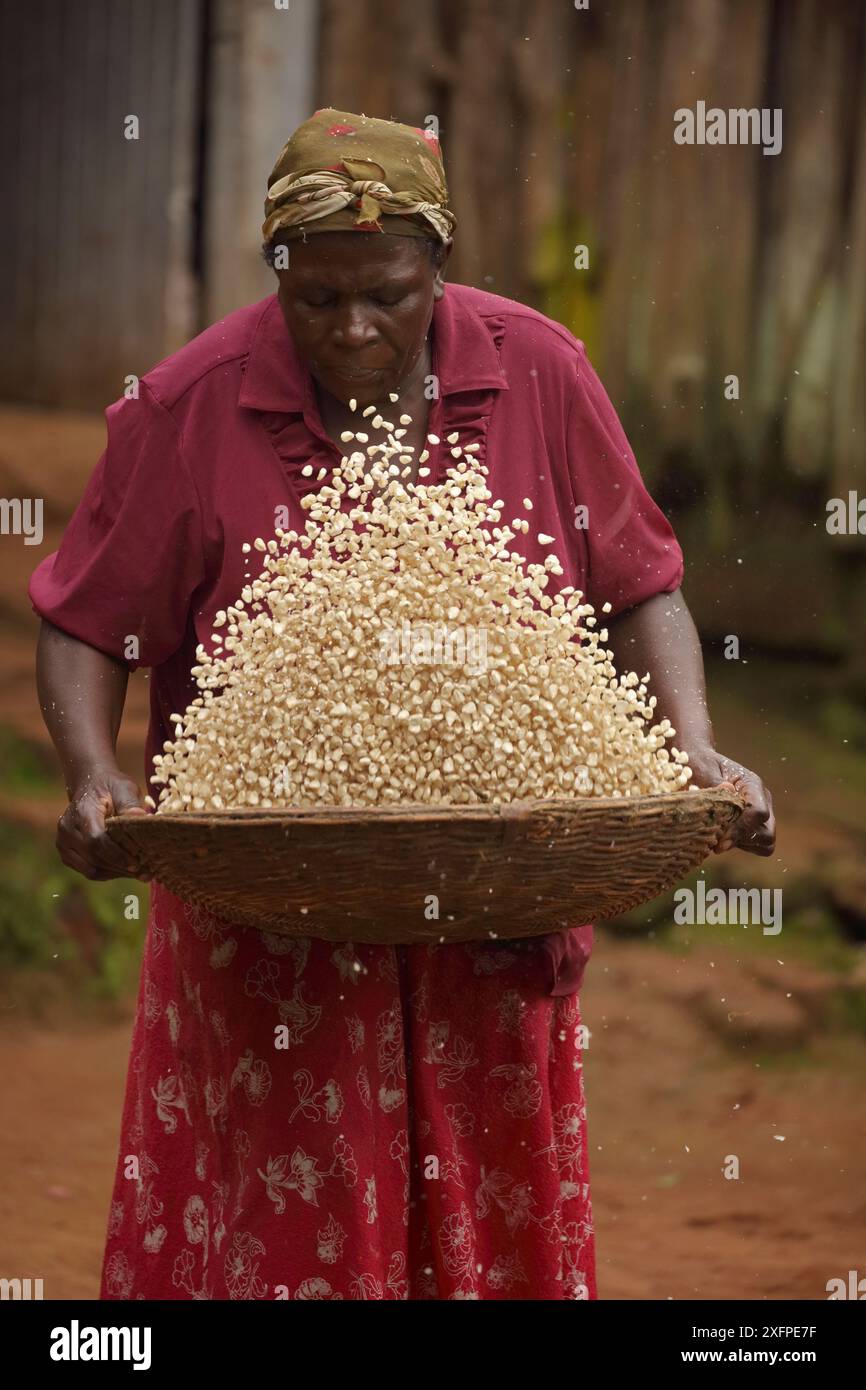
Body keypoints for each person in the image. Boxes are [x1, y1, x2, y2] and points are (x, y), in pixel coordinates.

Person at [30, 108, 774, 1301]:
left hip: (498, 891)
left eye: (386, 293)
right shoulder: (193, 402)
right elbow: (82, 617)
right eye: (316, 299)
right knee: (285, 1210)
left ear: (439, 264)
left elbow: (642, 586)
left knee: (487, 1196)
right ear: (277, 276)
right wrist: (93, 772)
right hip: (271, 909)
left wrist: (689, 744)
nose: (353, 328)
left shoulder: (538, 371)